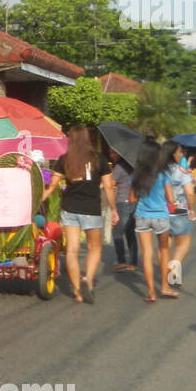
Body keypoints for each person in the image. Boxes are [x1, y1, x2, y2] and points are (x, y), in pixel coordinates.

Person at [42, 127, 116, 303]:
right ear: (88, 139)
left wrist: (38, 201)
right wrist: (113, 208)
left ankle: (77, 292)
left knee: (72, 250)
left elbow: (52, 186)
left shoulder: (65, 160)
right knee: (94, 248)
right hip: (91, 209)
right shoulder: (99, 158)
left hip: (70, 208)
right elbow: (108, 186)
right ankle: (87, 280)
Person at [129, 139, 179, 302]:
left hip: (142, 216)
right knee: (164, 249)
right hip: (161, 217)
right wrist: (172, 201)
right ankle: (164, 286)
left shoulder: (136, 174)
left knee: (147, 254)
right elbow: (171, 198)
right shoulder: (163, 174)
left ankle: (150, 292)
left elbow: (131, 199)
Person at [162, 140, 196, 286]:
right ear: (174, 154)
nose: (181, 154)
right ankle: (174, 270)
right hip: (178, 208)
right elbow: (189, 193)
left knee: (164, 245)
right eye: (179, 152)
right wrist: (191, 209)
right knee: (183, 242)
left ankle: (165, 273)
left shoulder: (158, 170)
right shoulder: (181, 171)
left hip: (160, 210)